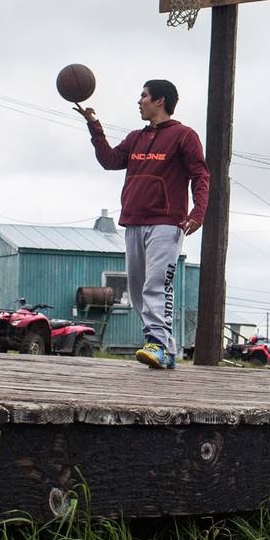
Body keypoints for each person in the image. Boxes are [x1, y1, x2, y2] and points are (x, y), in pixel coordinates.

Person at [75, 80, 209, 369]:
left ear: (160, 100)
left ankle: (156, 344)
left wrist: (198, 212)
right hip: (134, 221)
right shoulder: (135, 138)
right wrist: (94, 126)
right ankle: (167, 350)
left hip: (167, 222)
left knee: (157, 284)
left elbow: (200, 175)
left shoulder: (184, 136)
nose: (139, 101)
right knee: (137, 291)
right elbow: (109, 160)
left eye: (144, 96)